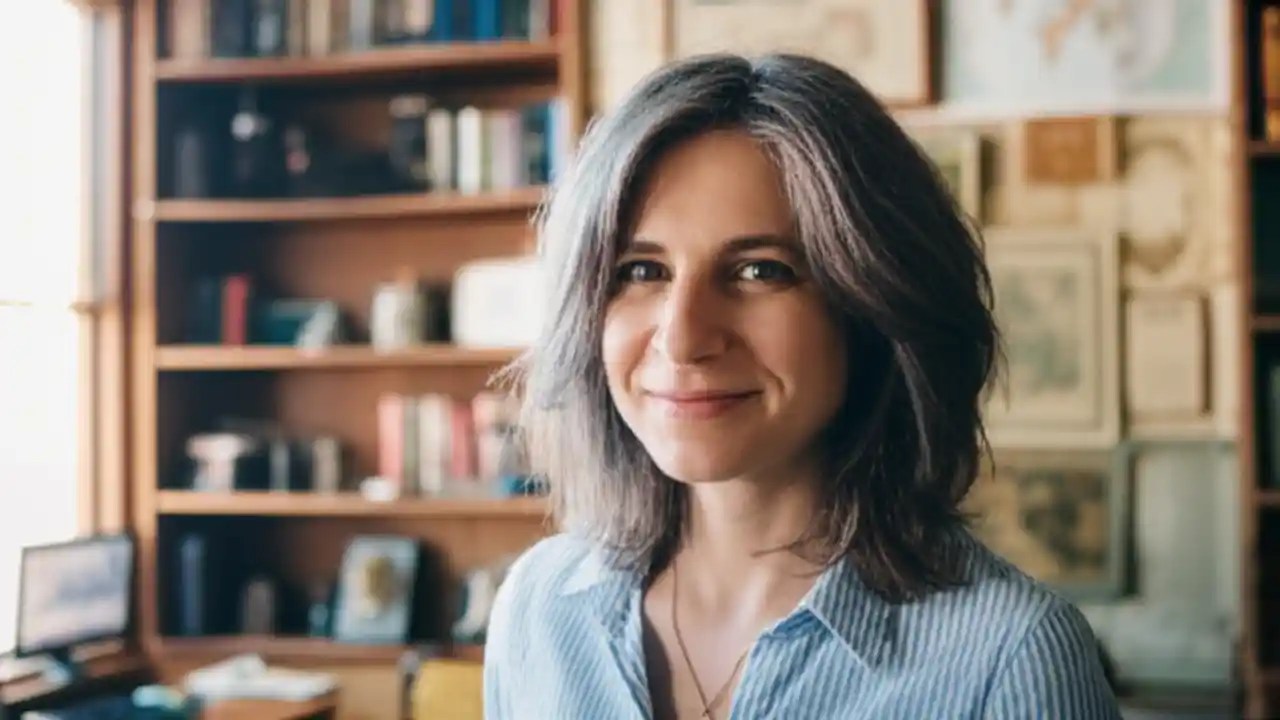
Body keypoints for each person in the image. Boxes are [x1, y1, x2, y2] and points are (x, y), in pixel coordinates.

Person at [484, 53, 1121, 719]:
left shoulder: (1013, 657)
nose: (683, 337)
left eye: (761, 271)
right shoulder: (539, 609)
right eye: (642, 271)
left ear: (872, 307)